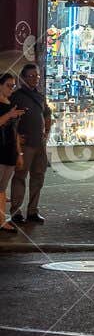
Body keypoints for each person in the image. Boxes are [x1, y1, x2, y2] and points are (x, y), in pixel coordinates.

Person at [10, 63, 52, 226]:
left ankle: (33, 211)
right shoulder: (17, 96)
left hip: (39, 144)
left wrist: (46, 132)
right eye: (31, 76)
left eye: (37, 76)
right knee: (20, 177)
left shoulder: (40, 96)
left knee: (38, 177)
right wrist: (17, 137)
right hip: (25, 145)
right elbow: (11, 119)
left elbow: (47, 114)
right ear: (23, 78)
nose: (35, 79)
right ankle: (15, 211)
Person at [0, 72, 22, 234]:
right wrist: (10, 115)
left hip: (10, 151)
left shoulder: (10, 103)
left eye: (13, 86)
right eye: (8, 85)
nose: (11, 89)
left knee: (2, 188)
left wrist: (19, 152)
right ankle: (2, 220)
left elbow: (15, 131)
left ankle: (2, 220)